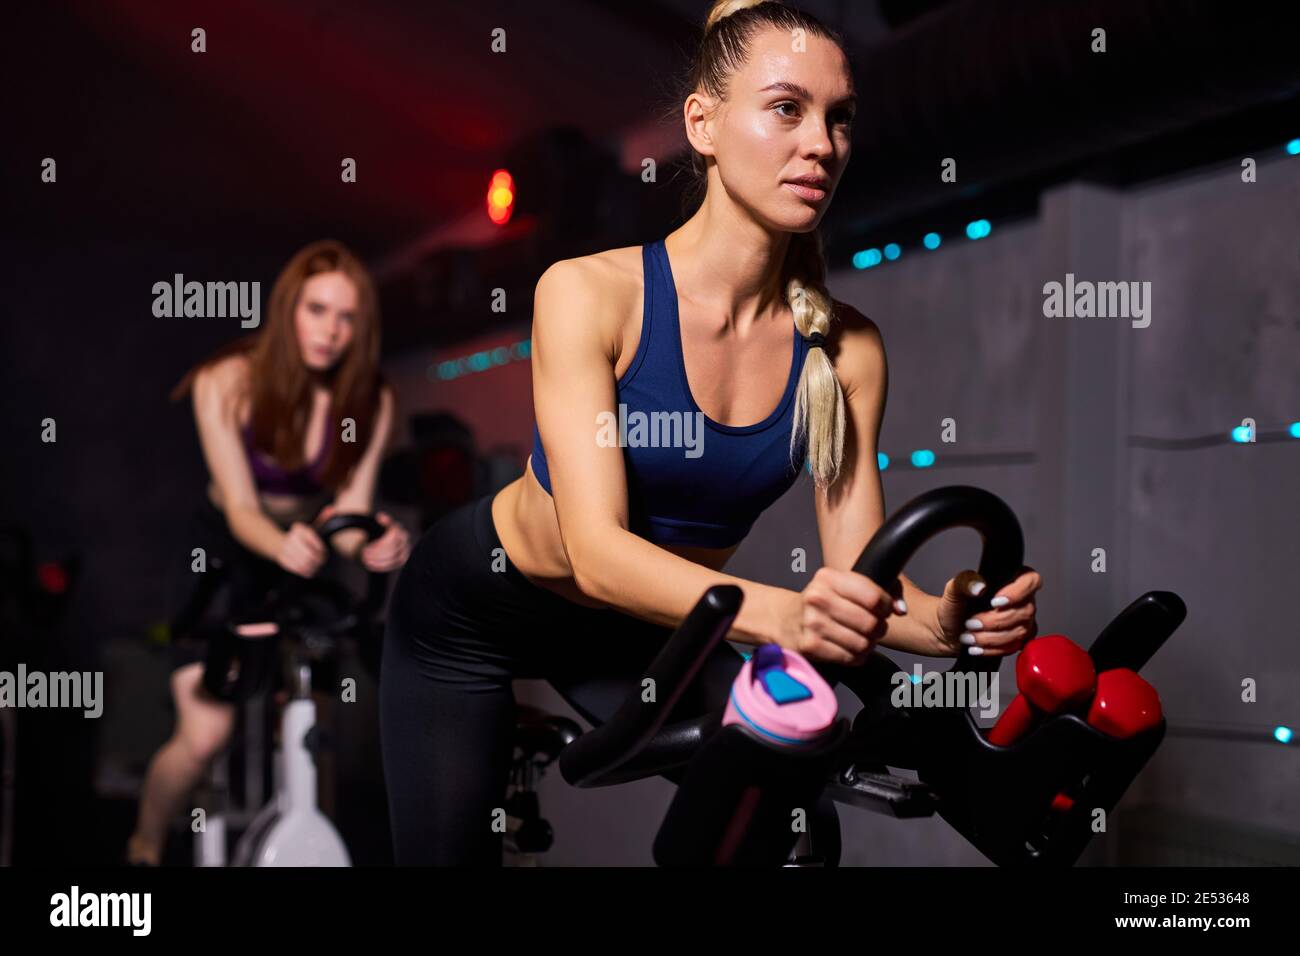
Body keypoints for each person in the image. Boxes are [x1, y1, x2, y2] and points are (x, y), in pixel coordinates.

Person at [380, 0, 1042, 866]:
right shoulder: (589, 294)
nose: (821, 143)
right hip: (475, 610)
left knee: (792, 834)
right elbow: (596, 553)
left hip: (645, 628)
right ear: (703, 123)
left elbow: (859, 582)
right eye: (785, 108)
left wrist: (952, 620)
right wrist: (787, 619)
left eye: (839, 118)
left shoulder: (847, 350)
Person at [126, 239, 411, 865]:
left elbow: (353, 520)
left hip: (305, 553)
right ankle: (145, 843)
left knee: (315, 715)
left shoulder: (371, 401)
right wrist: (286, 545)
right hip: (226, 555)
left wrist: (377, 544)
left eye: (347, 317)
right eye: (316, 309)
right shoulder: (224, 380)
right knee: (205, 735)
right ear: (288, 309)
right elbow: (240, 508)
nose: (330, 331)